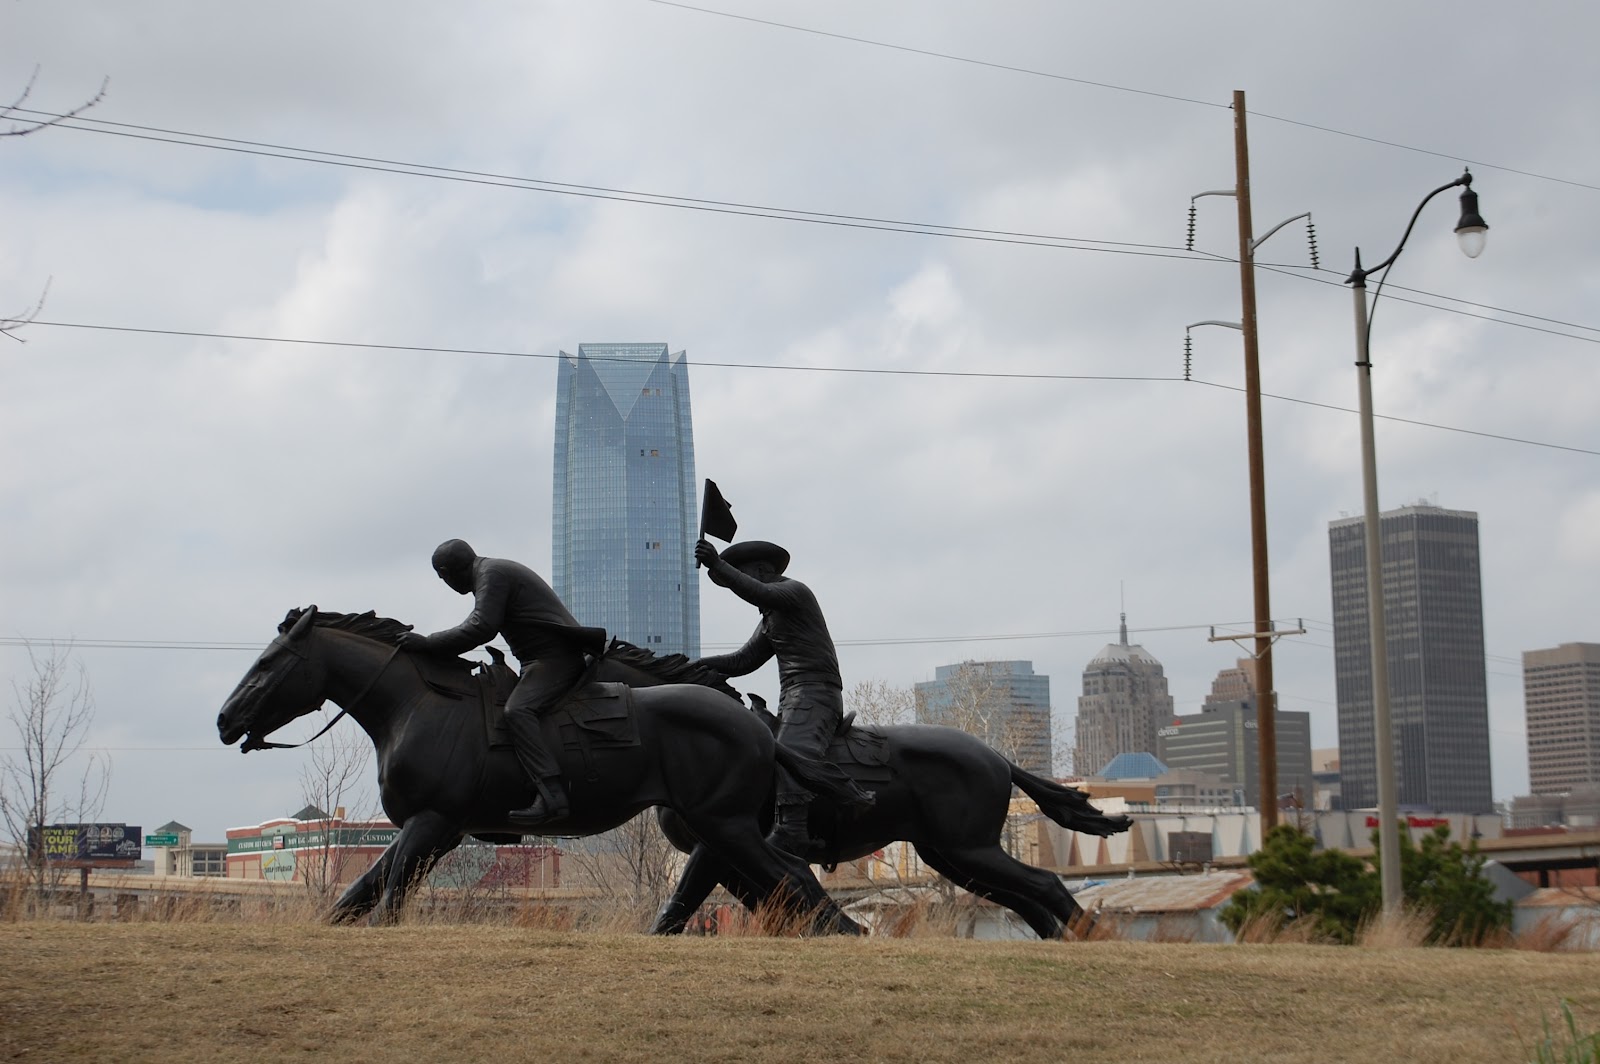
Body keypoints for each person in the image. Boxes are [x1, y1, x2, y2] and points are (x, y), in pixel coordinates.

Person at [398, 539, 605, 825]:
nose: (445, 583)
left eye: (442, 578)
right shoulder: (489, 572)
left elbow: (482, 626)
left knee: (517, 711)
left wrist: (428, 643)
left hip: (555, 661)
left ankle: (552, 795)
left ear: (447, 572)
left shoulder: (491, 574)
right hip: (536, 663)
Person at [693, 537, 842, 856]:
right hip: (790, 696)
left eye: (743, 580)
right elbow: (741, 661)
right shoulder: (771, 618)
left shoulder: (794, 592)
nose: (740, 591)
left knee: (790, 750)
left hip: (818, 693)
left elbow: (757, 592)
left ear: (762, 571)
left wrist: (718, 565)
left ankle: (793, 830)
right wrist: (696, 667)